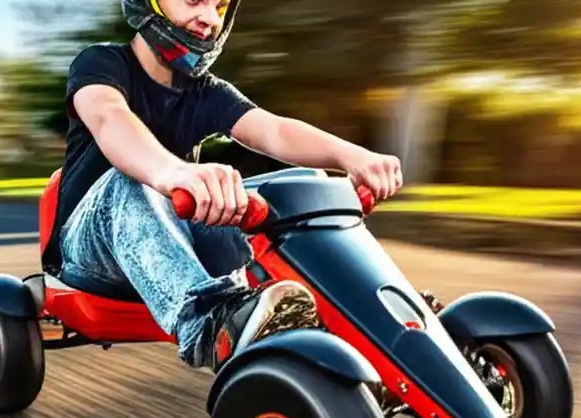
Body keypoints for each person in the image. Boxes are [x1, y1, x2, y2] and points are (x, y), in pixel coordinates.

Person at [48, 0, 403, 371]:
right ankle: (210, 322)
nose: (208, 19)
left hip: (173, 240)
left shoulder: (205, 92)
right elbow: (109, 118)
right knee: (130, 183)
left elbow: (274, 130)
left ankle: (358, 317)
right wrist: (173, 173)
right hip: (89, 253)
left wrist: (354, 157)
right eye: (193, 0)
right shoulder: (101, 64)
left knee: (294, 189)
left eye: (219, 6)